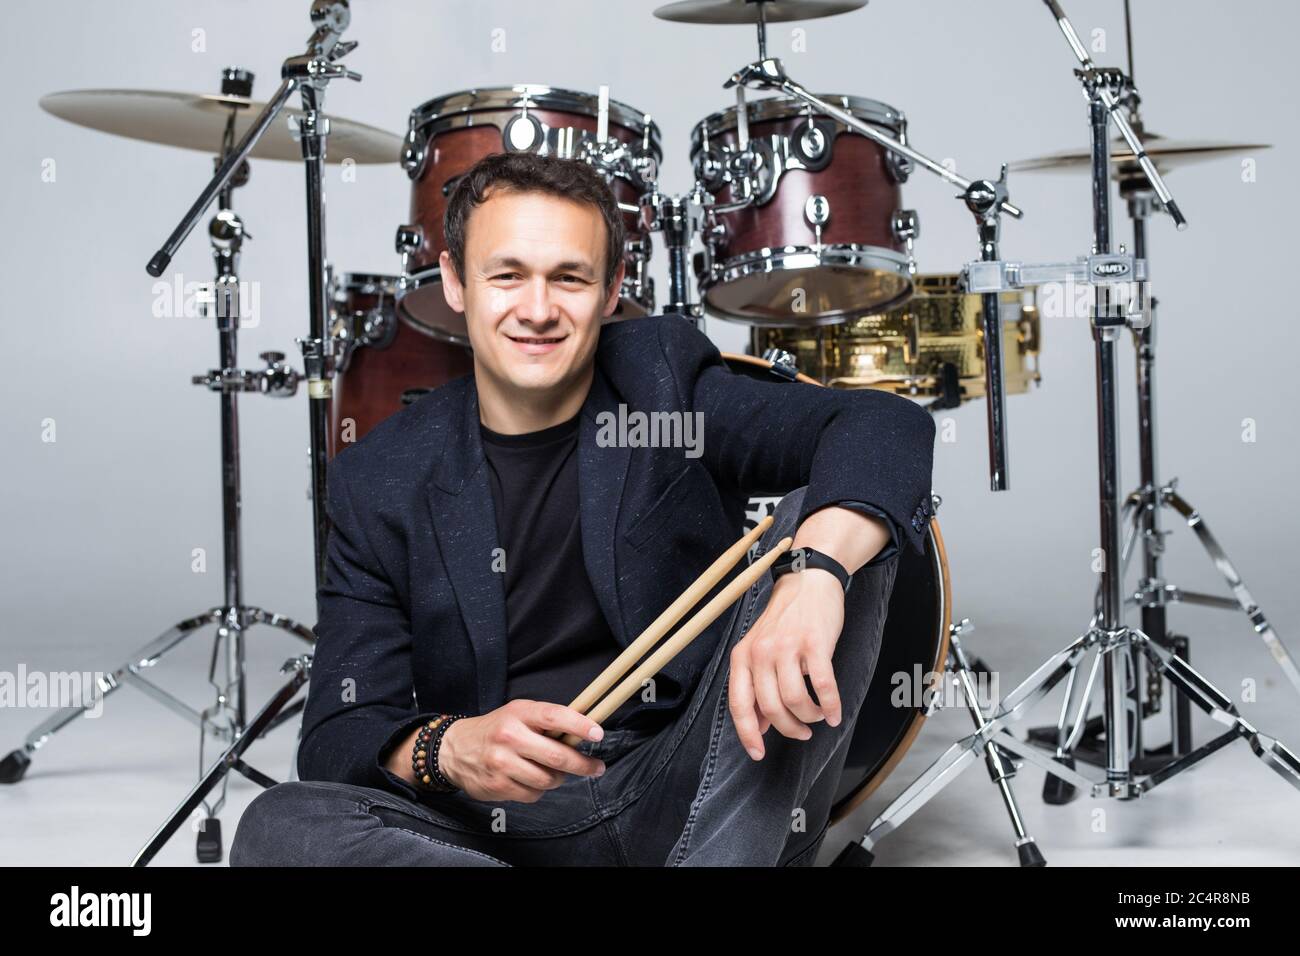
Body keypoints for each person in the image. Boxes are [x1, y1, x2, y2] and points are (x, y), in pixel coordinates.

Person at [229, 150, 935, 866]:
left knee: (829, 522)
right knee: (279, 827)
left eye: (568, 277)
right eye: (507, 275)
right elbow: (336, 735)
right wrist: (452, 747)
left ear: (610, 290)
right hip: (503, 826)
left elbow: (884, 427)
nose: (537, 310)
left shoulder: (660, 380)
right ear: (454, 282)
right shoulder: (380, 477)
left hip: (695, 787)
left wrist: (813, 575)